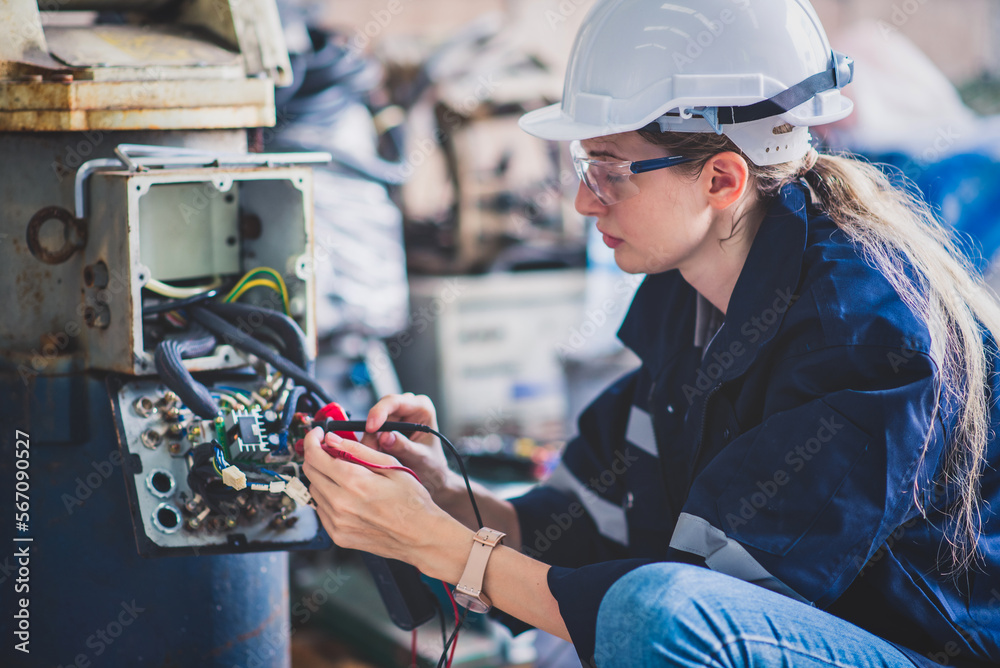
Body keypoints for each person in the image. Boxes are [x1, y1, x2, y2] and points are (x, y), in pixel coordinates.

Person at [302, 1, 1000, 666]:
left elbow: (705, 611)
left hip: (920, 651)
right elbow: (583, 527)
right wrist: (446, 498)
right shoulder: (688, 294)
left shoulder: (863, 338)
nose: (582, 200)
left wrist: (443, 551)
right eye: (585, 168)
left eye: (608, 172)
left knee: (651, 614)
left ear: (722, 179)